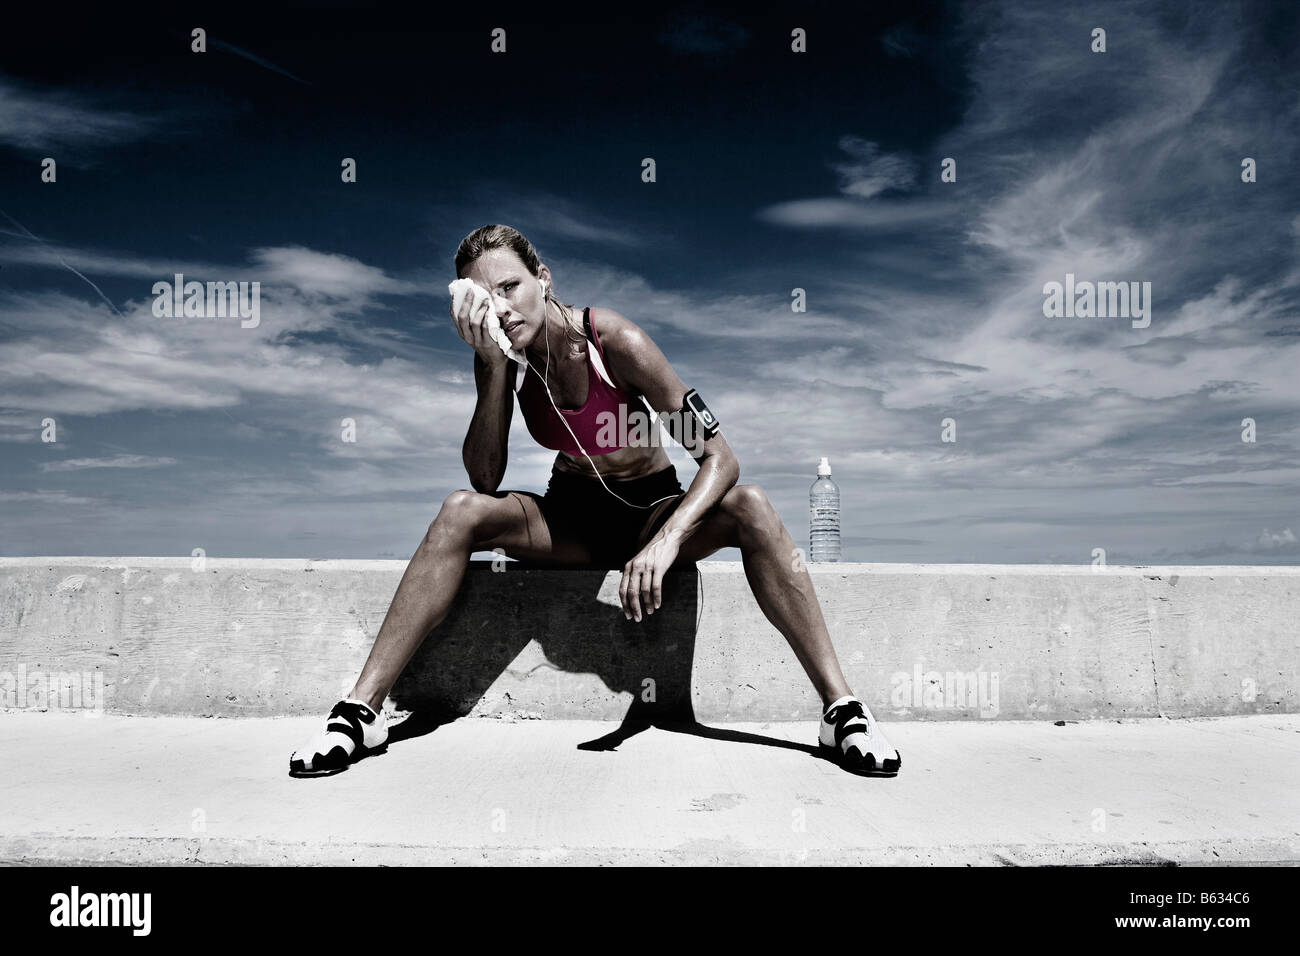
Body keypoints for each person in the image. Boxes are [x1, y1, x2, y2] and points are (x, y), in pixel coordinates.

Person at [289, 224, 900, 777]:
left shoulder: (614, 342)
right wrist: (493, 370)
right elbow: (485, 475)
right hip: (572, 521)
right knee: (458, 510)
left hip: (651, 511)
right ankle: (360, 714)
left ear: (543, 279)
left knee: (755, 505)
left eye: (512, 286)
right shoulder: (504, 363)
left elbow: (720, 457)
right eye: (485, 297)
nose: (502, 308)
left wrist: (667, 542)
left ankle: (840, 710)